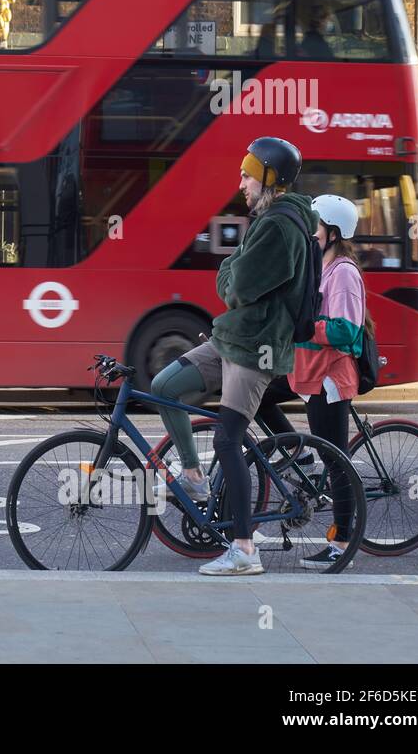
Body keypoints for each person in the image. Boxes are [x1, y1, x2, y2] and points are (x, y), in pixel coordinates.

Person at [149, 137, 317, 576]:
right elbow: (233, 275)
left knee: (227, 439)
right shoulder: (265, 218)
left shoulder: (280, 227)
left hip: (255, 347)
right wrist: (232, 273)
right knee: (165, 385)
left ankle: (244, 550)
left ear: (268, 177)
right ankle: (193, 476)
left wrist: (230, 275)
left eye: (247, 173)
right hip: (231, 338)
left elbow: (235, 284)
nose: (240, 181)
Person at [287, 194, 367, 569]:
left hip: (331, 379)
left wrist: (308, 327)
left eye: (315, 225)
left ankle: (342, 544)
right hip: (310, 373)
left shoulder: (344, 273)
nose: (310, 231)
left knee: (336, 461)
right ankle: (297, 454)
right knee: (262, 399)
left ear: (332, 233)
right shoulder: (322, 267)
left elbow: (346, 329)